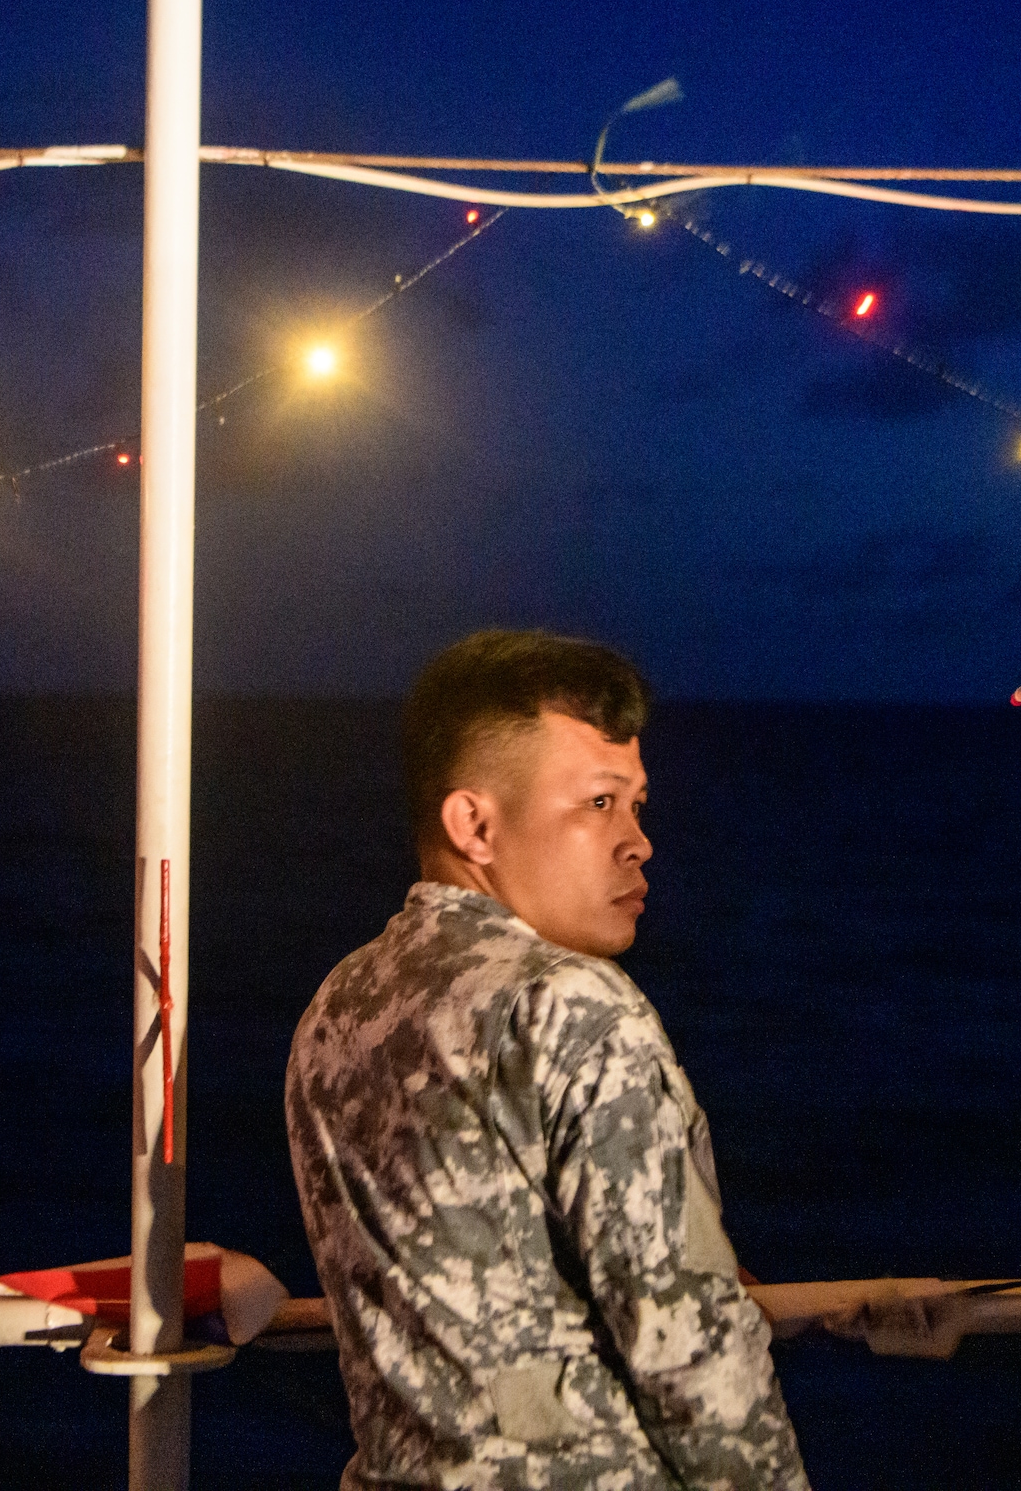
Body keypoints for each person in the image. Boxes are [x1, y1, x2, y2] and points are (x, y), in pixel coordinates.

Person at [286, 629, 809, 1489]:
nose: (638, 840)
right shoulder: (573, 1005)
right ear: (475, 824)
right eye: (600, 803)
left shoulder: (337, 1010)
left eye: (638, 806)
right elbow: (693, 1350)